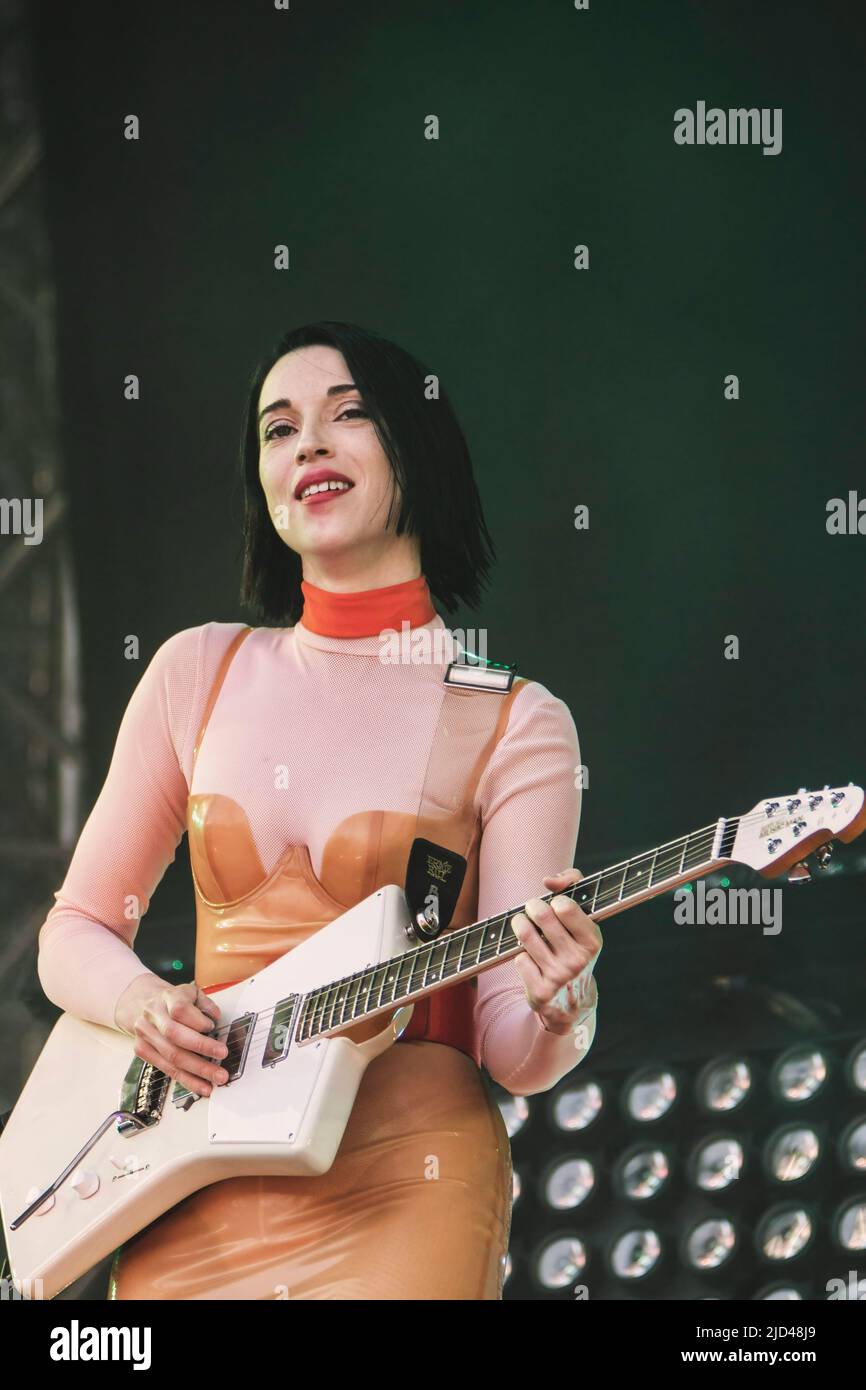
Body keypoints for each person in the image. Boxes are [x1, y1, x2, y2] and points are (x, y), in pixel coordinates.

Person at [36, 321, 602, 1300]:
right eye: (278, 428)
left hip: (403, 1180)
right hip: (192, 1182)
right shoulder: (194, 673)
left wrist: (562, 998)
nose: (308, 445)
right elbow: (73, 929)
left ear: (412, 452)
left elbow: (513, 1051)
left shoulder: (515, 718)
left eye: (348, 416)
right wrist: (143, 1004)